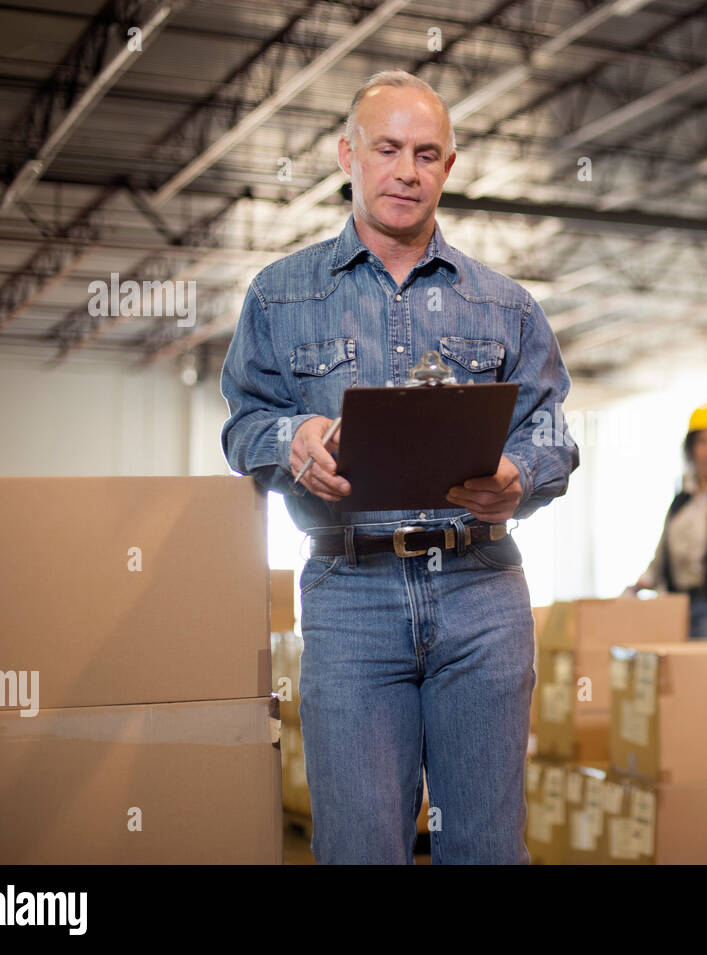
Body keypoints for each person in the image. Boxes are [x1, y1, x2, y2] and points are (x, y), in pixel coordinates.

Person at [220, 70, 578, 864]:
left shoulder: (507, 306)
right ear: (348, 154)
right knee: (358, 847)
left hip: (482, 590)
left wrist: (518, 472)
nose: (406, 171)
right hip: (353, 597)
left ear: (449, 167)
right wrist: (292, 438)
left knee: (485, 847)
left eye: (426, 153)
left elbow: (555, 429)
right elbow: (241, 425)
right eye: (387, 149)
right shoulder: (279, 299)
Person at [626, 403, 707, 638]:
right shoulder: (680, 502)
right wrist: (640, 585)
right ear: (691, 449)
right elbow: (661, 557)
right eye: (703, 442)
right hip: (675, 607)